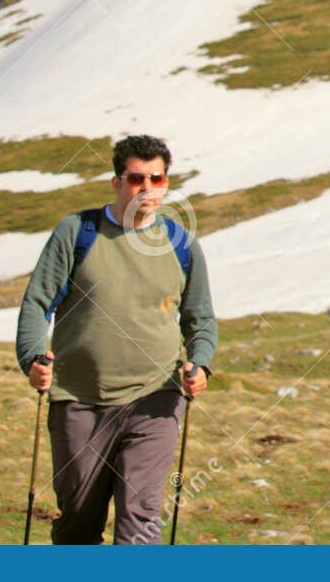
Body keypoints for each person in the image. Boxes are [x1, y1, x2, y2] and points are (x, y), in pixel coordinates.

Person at [15, 134, 216, 544]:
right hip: (79, 398)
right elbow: (37, 304)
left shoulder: (181, 244)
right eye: (136, 179)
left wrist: (202, 363)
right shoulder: (78, 232)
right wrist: (33, 358)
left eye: (157, 180)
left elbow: (200, 319)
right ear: (116, 182)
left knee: (139, 520)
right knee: (78, 522)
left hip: (155, 400)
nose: (147, 189)